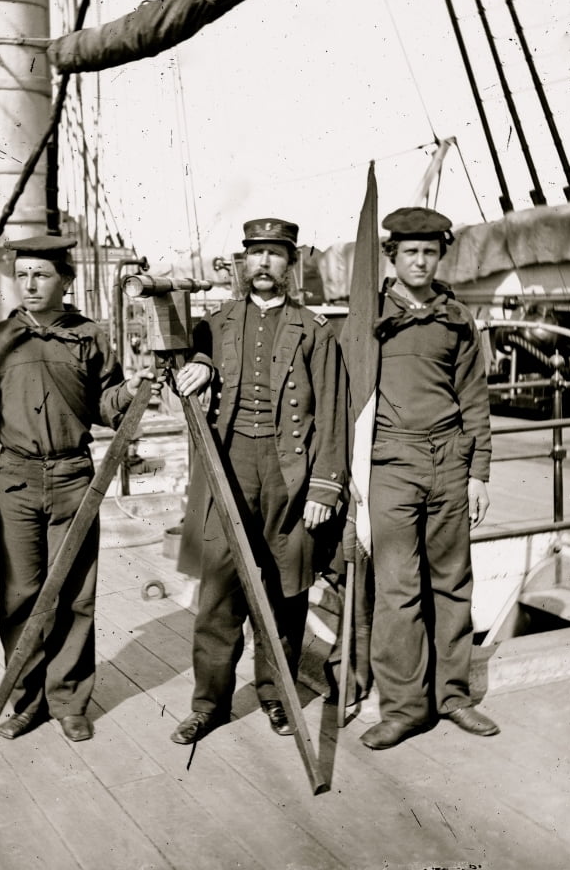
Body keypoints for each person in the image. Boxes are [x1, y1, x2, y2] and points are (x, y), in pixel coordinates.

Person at [170, 218, 349, 745]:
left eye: (275, 254)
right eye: (256, 253)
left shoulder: (315, 330)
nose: (264, 263)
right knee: (219, 591)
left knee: (286, 591)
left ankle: (276, 694)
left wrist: (325, 487)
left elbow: (333, 415)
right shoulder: (216, 323)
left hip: (289, 471)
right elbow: (189, 359)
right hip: (228, 467)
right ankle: (209, 705)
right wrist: (200, 365)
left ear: (291, 264)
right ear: (243, 262)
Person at [0, 235, 160, 742]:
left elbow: (104, 406)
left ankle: (68, 701)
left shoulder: (90, 337)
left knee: (75, 595)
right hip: (16, 479)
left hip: (72, 478)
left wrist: (127, 392)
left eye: (41, 275)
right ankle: (27, 702)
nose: (30, 284)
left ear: (65, 280)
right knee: (19, 596)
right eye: (22, 275)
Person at [360, 207, 498, 750]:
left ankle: (453, 697)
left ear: (440, 255)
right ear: (392, 255)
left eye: (429, 252)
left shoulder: (457, 319)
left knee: (452, 584)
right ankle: (404, 709)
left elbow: (474, 400)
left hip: (450, 465)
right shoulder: (369, 316)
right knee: (397, 590)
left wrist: (478, 473)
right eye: (410, 252)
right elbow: (347, 393)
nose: (420, 261)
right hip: (392, 464)